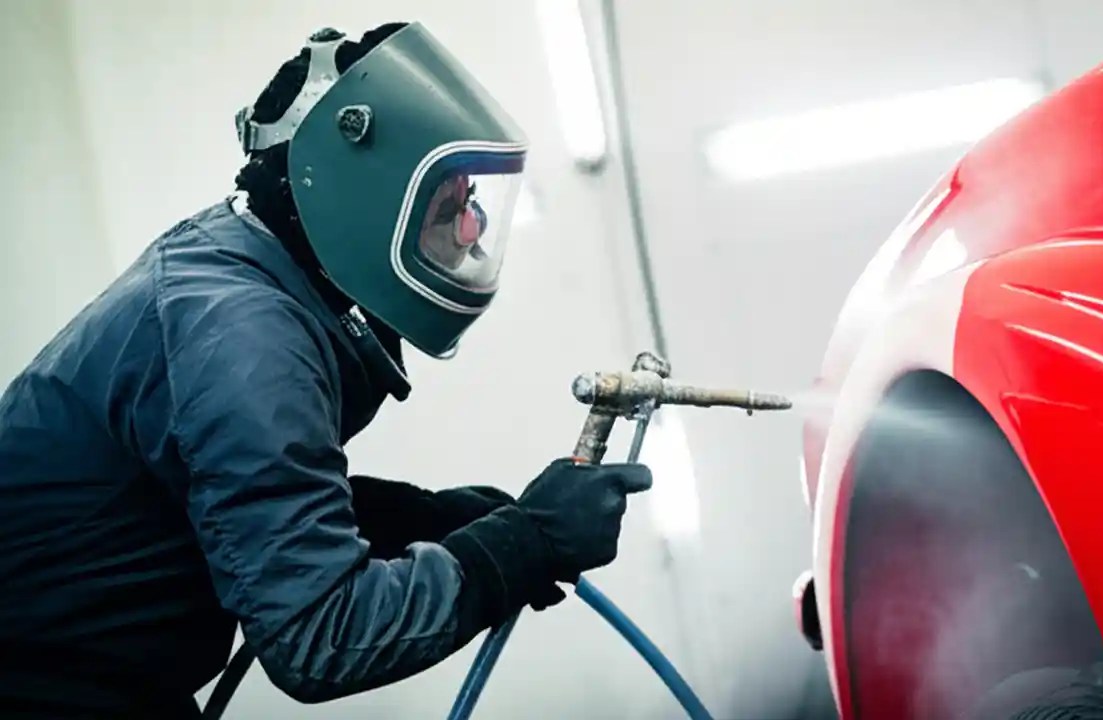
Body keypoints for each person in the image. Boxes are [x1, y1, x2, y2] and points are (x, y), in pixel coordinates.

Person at [0, 21, 652, 718]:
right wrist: (525, 544)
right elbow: (318, 635)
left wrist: (424, 518)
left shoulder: (241, 272)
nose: (470, 233)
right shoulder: (243, 333)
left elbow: (221, 497)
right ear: (359, 190)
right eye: (449, 204)